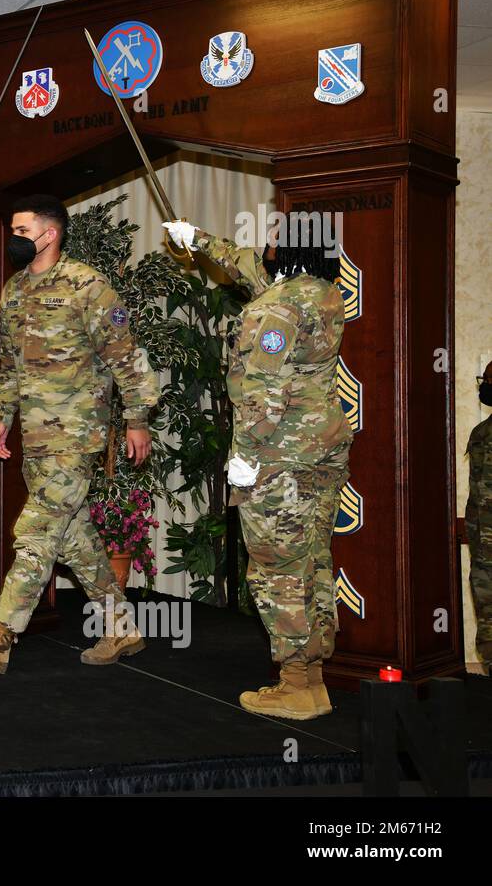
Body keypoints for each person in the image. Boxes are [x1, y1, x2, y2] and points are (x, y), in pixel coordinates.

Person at [0, 195, 159, 674]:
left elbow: (127, 357)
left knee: (36, 532)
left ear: (49, 233)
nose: (13, 240)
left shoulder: (88, 286)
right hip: (36, 436)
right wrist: (2, 417)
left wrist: (137, 420)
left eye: (21, 231)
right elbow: (8, 362)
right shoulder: (14, 289)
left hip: (77, 434)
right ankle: (121, 626)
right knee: (73, 537)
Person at [163, 218, 352, 719]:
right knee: (311, 559)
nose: (263, 243)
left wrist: (245, 455)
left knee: (273, 568)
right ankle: (313, 679)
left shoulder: (273, 307)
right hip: (322, 449)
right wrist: (196, 239)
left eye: (271, 236)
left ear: (285, 247)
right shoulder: (325, 294)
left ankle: (294, 684)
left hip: (276, 457)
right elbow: (244, 261)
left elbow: (263, 391)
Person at [467, 359, 492, 665]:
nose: (485, 387)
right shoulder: (480, 433)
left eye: (489, 381)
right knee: (486, 611)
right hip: (483, 548)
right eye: (483, 380)